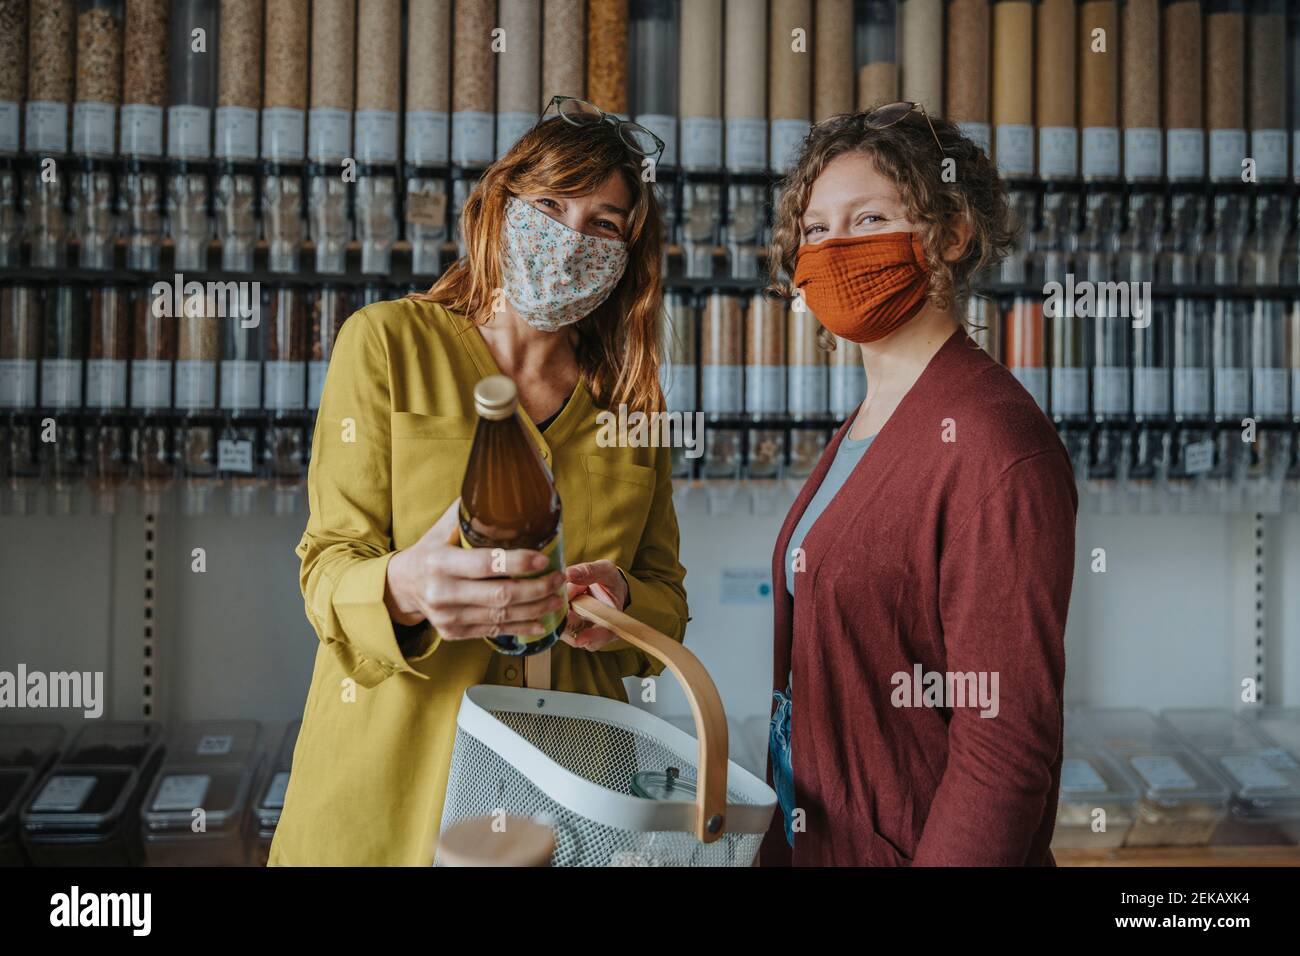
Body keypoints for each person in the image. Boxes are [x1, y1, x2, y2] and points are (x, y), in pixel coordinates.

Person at [271, 99, 688, 866]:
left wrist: (624, 604)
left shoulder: (632, 404)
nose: (570, 238)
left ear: (628, 255)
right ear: (499, 208)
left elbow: (666, 601)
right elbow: (326, 568)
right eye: (549, 205)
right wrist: (406, 586)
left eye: (603, 223)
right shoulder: (388, 344)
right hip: (393, 796)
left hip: (568, 804)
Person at [761, 105, 1078, 866]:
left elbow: (1003, 750)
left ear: (951, 233)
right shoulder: (872, 419)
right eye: (817, 230)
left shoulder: (993, 442)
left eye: (869, 219)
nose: (835, 249)